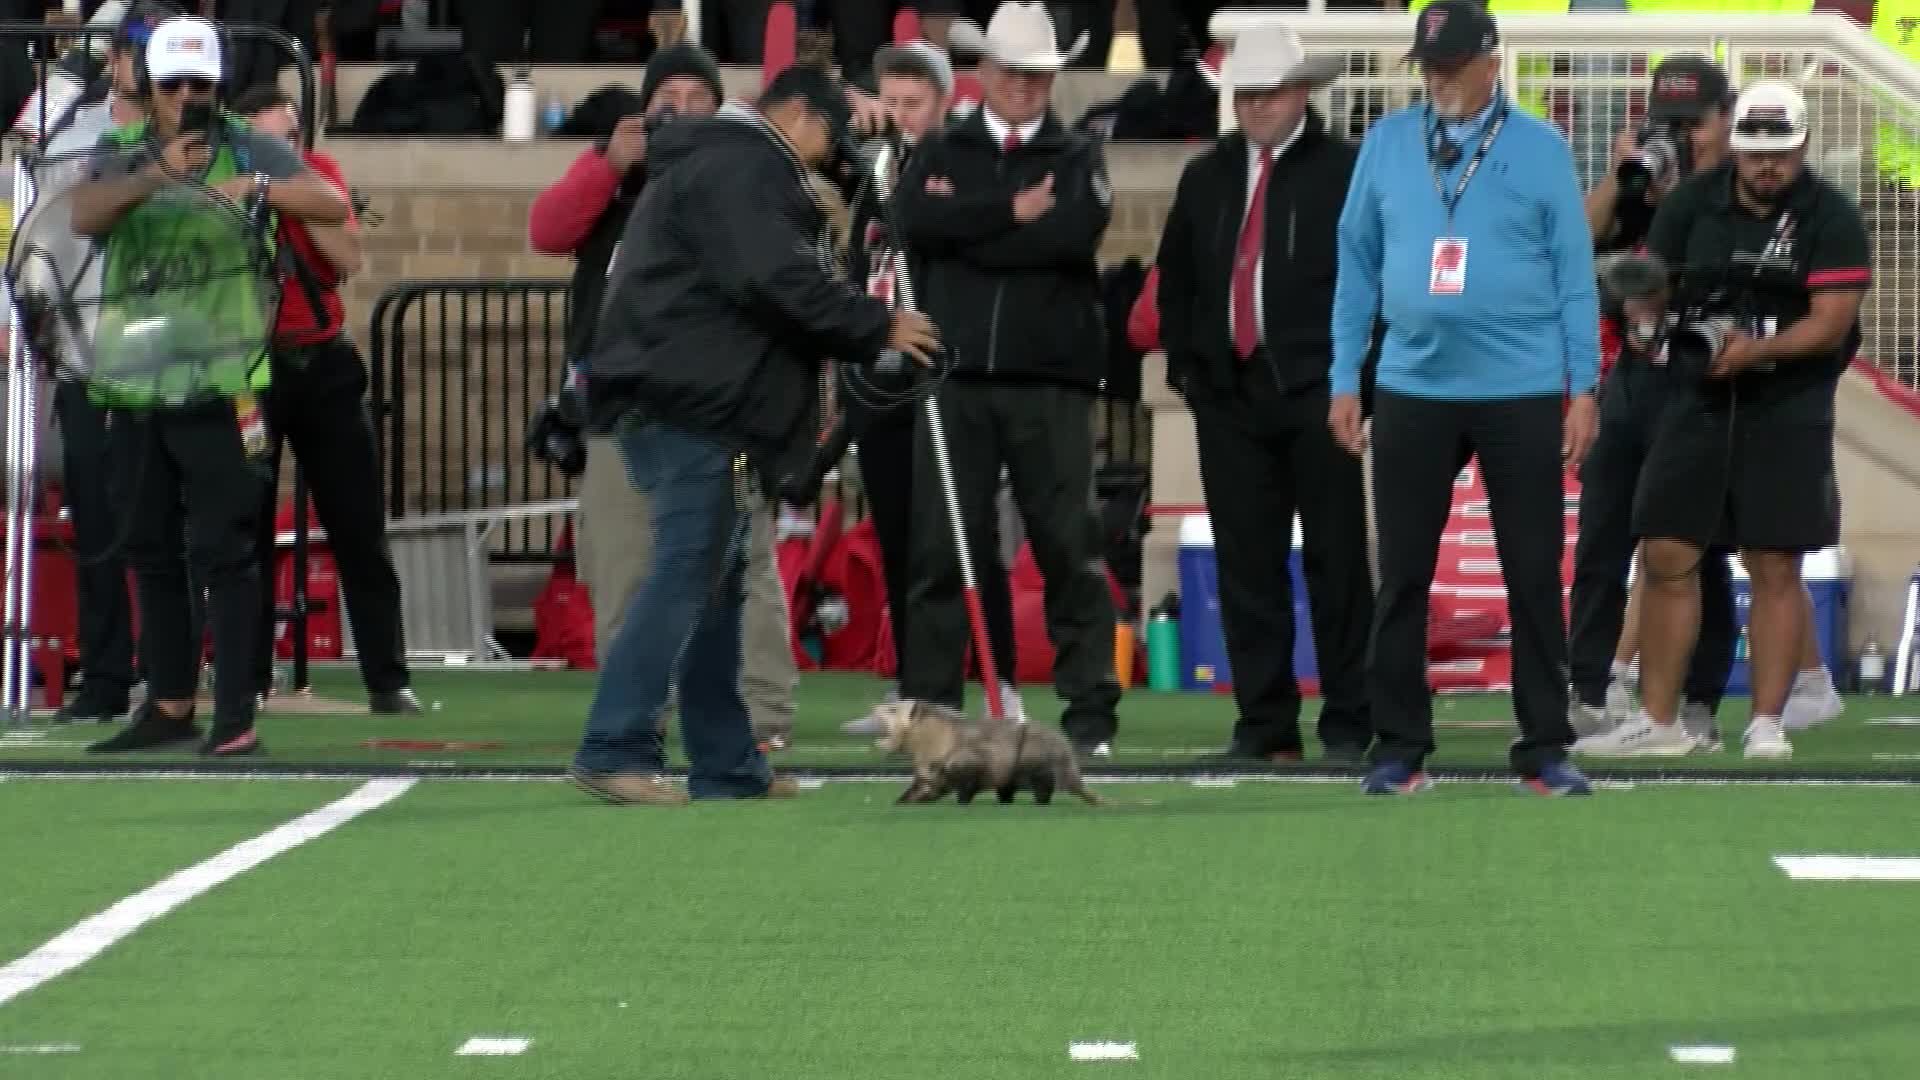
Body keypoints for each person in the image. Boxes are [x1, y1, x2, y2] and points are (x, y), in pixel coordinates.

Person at [573, 65, 940, 805]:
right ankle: (615, 744)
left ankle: (726, 762)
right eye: (829, 139)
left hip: (691, 398)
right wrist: (876, 324)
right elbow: (772, 278)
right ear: (795, 113)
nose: (833, 157)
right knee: (687, 573)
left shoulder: (718, 162)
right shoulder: (742, 166)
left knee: (714, 586)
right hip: (694, 403)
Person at [1330, 0, 1598, 797]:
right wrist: (1348, 376)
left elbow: (1576, 281)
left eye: (1452, 66)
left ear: (1492, 61)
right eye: (1429, 67)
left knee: (1531, 573)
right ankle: (1399, 746)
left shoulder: (1543, 151)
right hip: (1411, 385)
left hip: (1519, 388)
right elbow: (1356, 270)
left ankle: (1546, 745)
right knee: (1403, 575)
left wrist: (1581, 389)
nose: (1439, 80)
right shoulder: (1383, 146)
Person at [70, 15, 349, 756]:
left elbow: (331, 205)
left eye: (200, 83)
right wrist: (157, 174)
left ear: (217, 86)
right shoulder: (120, 151)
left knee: (225, 551)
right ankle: (168, 704)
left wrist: (256, 184)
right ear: (150, 87)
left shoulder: (248, 142)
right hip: (136, 383)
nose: (188, 95)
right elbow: (81, 212)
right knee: (151, 549)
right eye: (174, 84)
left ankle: (234, 716)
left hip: (227, 382)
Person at [1580, 80, 1868, 760]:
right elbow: (1657, 279)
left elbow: (1831, 323)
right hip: (1696, 395)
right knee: (1667, 550)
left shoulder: (1832, 216)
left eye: (1781, 153)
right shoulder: (1691, 204)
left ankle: (1767, 721)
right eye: (1755, 151)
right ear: (1737, 144)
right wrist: (1646, 315)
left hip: (1787, 403)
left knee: (1773, 561)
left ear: (1802, 147)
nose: (1768, 166)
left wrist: (1757, 350)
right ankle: (1658, 721)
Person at [527, 45, 801, 750]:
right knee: (624, 567)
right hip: (622, 411)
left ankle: (760, 723)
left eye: (695, 94)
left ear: (721, 107)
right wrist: (606, 165)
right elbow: (547, 229)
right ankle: (639, 726)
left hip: (719, 410)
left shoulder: (743, 178)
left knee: (744, 566)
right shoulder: (613, 184)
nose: (678, 107)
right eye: (665, 95)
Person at [892, 1, 1122, 756]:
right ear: (983, 71)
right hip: (955, 380)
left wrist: (970, 225)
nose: (1023, 85)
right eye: (1012, 70)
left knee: (1067, 545)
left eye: (1037, 74)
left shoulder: (1077, 154)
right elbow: (912, 225)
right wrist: (1011, 212)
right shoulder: (941, 149)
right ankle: (930, 713)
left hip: (1048, 381)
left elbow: (1068, 237)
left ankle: (1089, 714)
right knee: (937, 548)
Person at [1153, 25, 1373, 767]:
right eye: (1244, 92)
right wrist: (1193, 371)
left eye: (1268, 91)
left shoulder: (1347, 170)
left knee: (1338, 562)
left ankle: (1349, 721)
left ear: (1302, 91)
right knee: (1247, 564)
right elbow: (1174, 280)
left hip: (1322, 391)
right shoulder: (1206, 174)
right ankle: (1265, 726)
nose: (1254, 105)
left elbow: (1374, 281)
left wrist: (1357, 381)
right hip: (1230, 394)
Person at [1565, 55, 1740, 749]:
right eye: (1669, 124)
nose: (1682, 139)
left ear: (1726, 119)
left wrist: (1675, 193)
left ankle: (1697, 701)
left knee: (1697, 547)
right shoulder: (1641, 181)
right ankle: (1588, 690)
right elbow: (1575, 243)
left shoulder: (1744, 187)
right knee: (1602, 536)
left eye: (1693, 124)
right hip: (1633, 374)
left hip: (1703, 375)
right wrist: (1624, 174)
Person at [229, 84, 418, 714]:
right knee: (244, 527)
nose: (277, 151)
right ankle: (249, 677)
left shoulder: (319, 179)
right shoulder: (222, 179)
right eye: (264, 141)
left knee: (357, 525)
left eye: (287, 141)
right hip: (248, 372)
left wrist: (281, 190)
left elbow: (348, 257)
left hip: (323, 360)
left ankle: (388, 680)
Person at [842, 39, 1000, 725]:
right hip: (878, 375)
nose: (900, 115)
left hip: (937, 374)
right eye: (892, 101)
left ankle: (969, 682)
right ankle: (913, 686)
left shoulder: (957, 168)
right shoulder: (870, 172)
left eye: (915, 103)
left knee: (954, 538)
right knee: (898, 534)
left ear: (942, 104)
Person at [39, 1, 178, 725]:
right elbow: (42, 232)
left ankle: (170, 676)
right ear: (115, 60)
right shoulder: (73, 134)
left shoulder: (195, 140)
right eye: (136, 52)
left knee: (169, 525)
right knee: (97, 524)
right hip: (89, 354)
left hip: (168, 357)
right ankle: (103, 676)